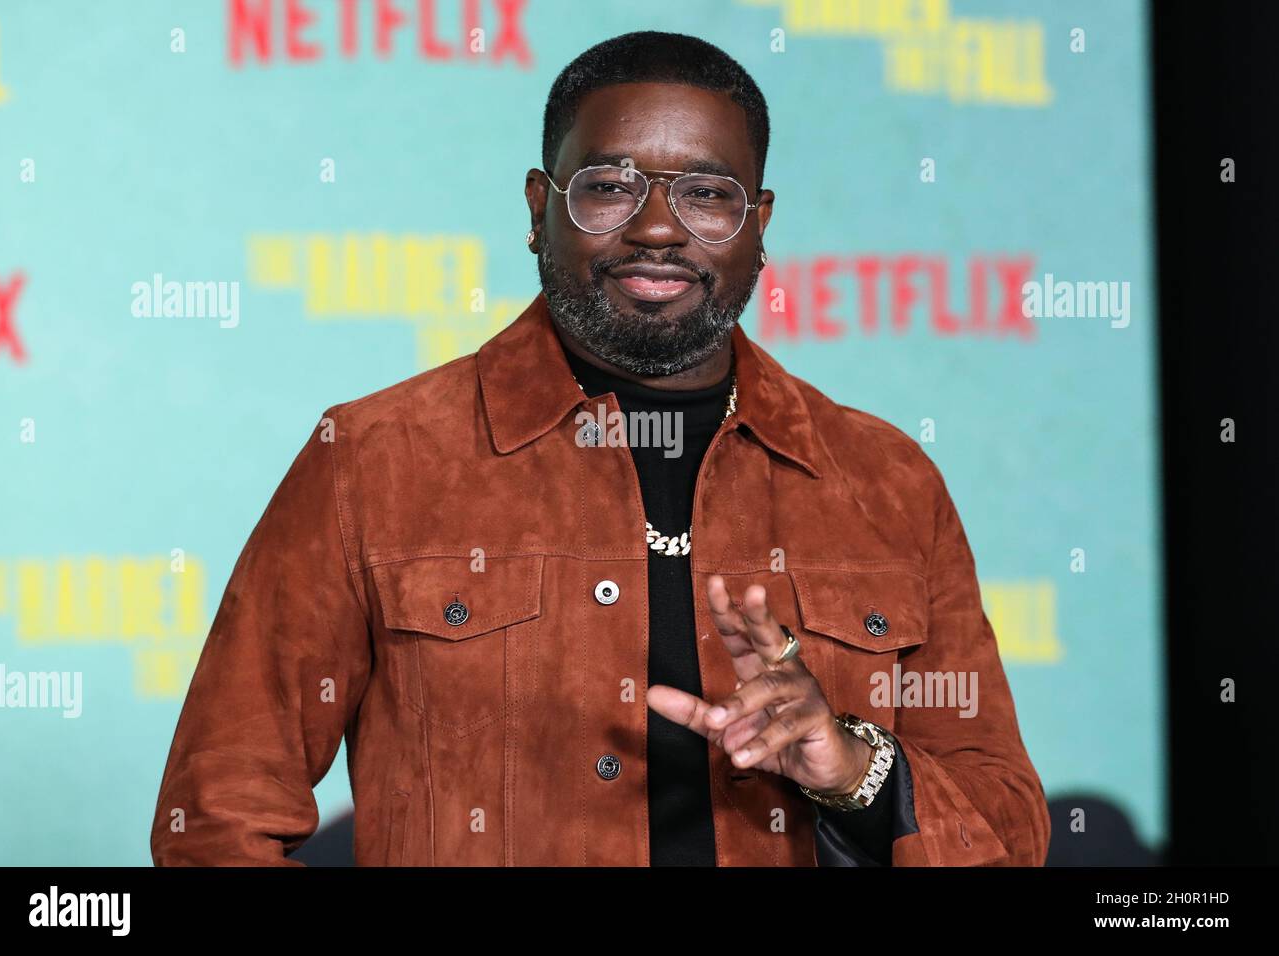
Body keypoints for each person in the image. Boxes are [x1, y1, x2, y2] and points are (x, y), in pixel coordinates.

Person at [151, 30, 1049, 867]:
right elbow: (218, 812)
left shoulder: (885, 481)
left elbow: (1007, 825)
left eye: (705, 194)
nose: (658, 228)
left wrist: (854, 766)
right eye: (611, 186)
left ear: (761, 226)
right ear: (541, 208)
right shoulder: (374, 458)